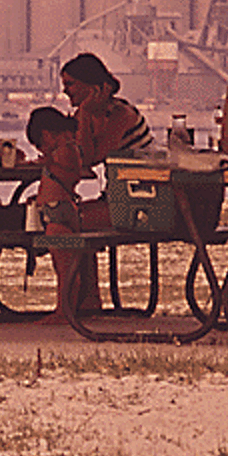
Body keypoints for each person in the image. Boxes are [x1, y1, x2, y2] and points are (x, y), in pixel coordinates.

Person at [57, 52, 155, 310]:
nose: (65, 91)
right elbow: (79, 158)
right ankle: (86, 297)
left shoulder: (122, 114)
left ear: (91, 86)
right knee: (68, 216)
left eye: (70, 84)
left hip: (144, 201)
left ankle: (87, 299)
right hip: (119, 197)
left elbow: (92, 157)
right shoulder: (85, 115)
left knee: (75, 220)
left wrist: (86, 114)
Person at [25, 106, 86, 324]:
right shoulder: (65, 148)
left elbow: (72, 172)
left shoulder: (65, 149)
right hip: (54, 208)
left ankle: (64, 311)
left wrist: (48, 162)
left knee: (65, 267)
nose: (41, 151)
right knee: (62, 264)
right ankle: (64, 308)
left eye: (40, 145)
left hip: (58, 211)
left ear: (47, 135)